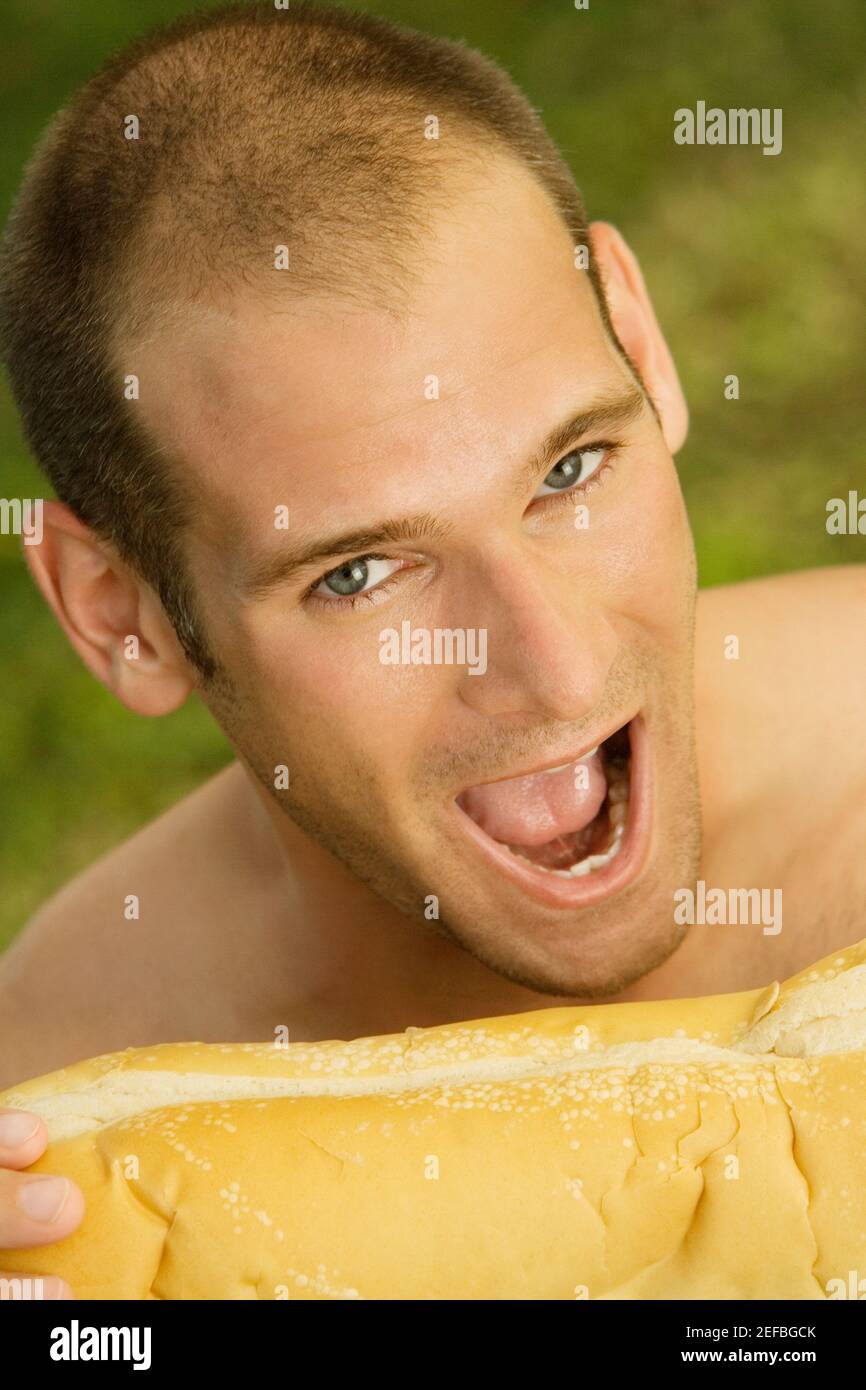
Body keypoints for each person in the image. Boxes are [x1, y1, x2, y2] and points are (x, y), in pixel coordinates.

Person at [1, 1, 863, 1296]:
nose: (560, 672)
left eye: (569, 468)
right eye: (356, 572)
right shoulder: (57, 1123)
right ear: (124, 615)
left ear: (638, 338)